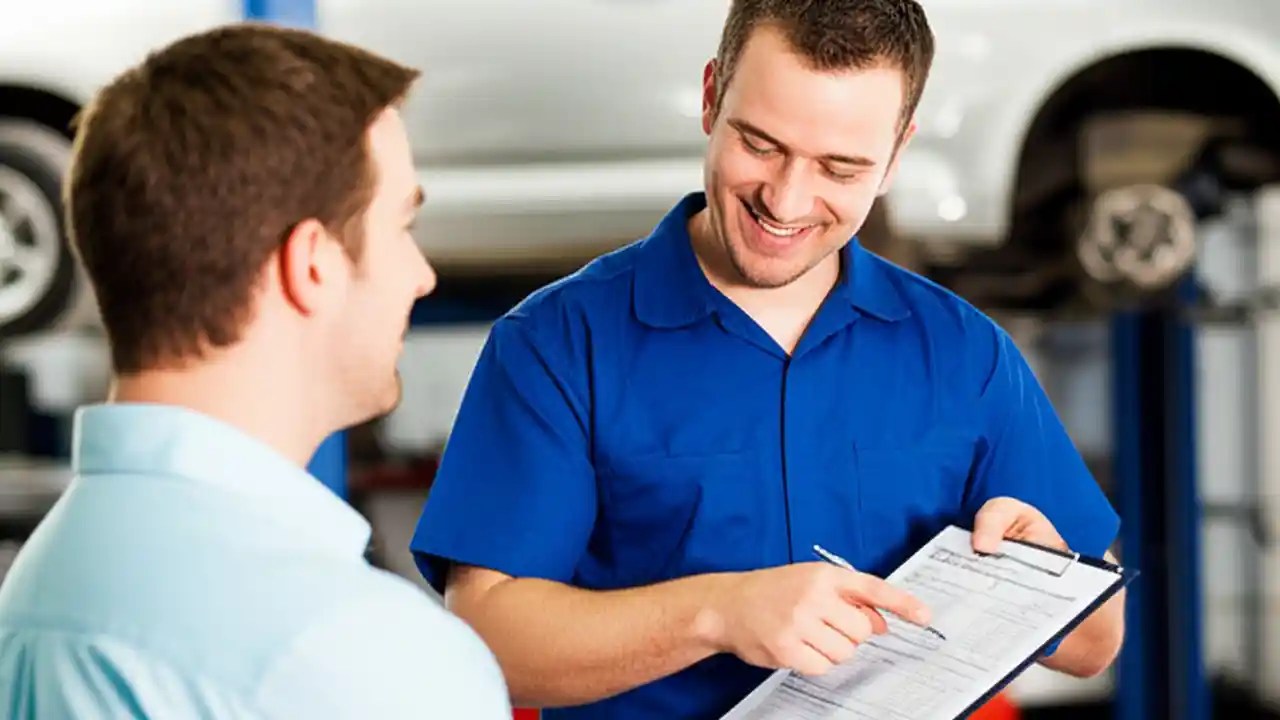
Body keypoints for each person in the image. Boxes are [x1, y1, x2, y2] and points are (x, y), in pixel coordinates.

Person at [410, 1, 1126, 718]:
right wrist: (717, 612)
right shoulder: (558, 344)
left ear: (897, 155)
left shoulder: (966, 355)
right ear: (710, 95)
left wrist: (1045, 565)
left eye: (839, 168)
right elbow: (486, 640)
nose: (786, 199)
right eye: (760, 145)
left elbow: (1096, 642)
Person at [0, 23, 511, 720]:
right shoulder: (367, 655)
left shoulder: (40, 587)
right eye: (401, 228)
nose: (422, 276)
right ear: (312, 265)